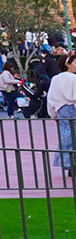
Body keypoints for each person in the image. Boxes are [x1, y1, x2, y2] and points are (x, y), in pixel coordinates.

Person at [51, 54, 76, 182]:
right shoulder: (73, 78)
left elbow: (51, 98)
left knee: (66, 137)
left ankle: (69, 163)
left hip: (61, 110)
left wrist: (53, 113)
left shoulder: (55, 79)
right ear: (68, 64)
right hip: (72, 108)